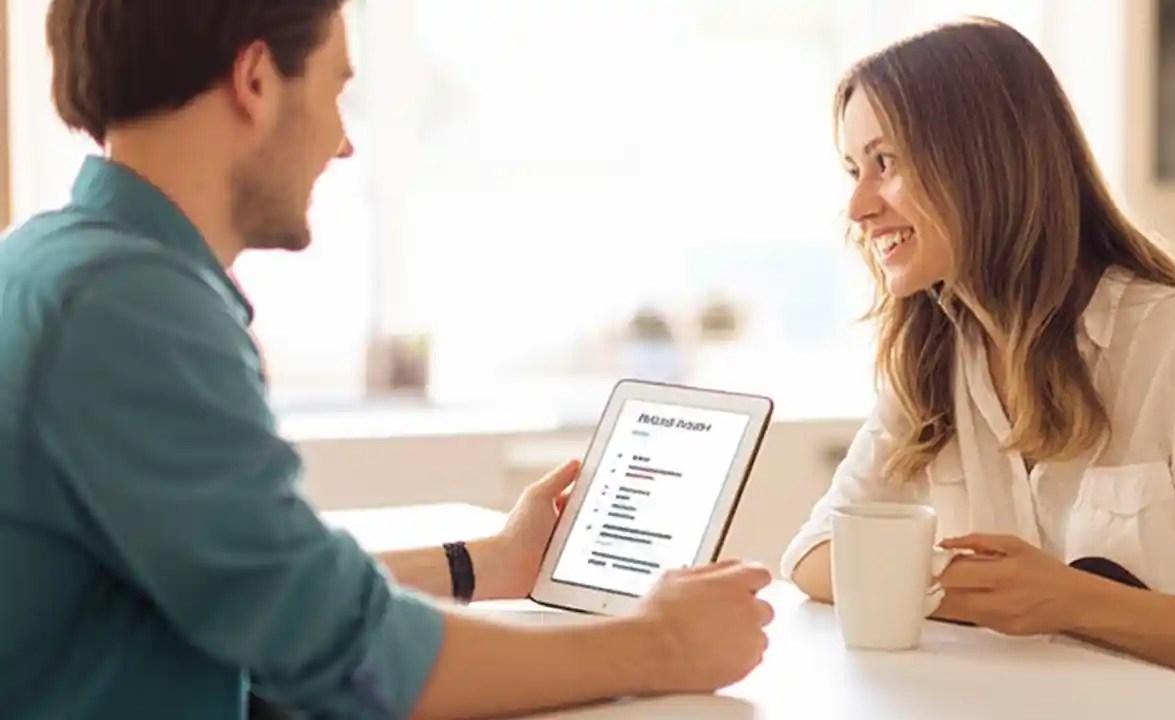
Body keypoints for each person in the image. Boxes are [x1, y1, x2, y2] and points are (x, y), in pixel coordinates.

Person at [0, 2, 774, 718]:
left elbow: (268, 587)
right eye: (337, 90)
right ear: (257, 80)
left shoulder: (49, 264)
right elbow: (343, 654)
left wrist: (490, 563)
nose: (344, 141)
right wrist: (661, 644)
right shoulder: (130, 308)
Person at [782, 18, 1175, 688]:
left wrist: (1072, 602)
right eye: (853, 169)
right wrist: (978, 589)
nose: (859, 205)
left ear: (982, 159)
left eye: (886, 163)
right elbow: (812, 557)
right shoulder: (932, 354)